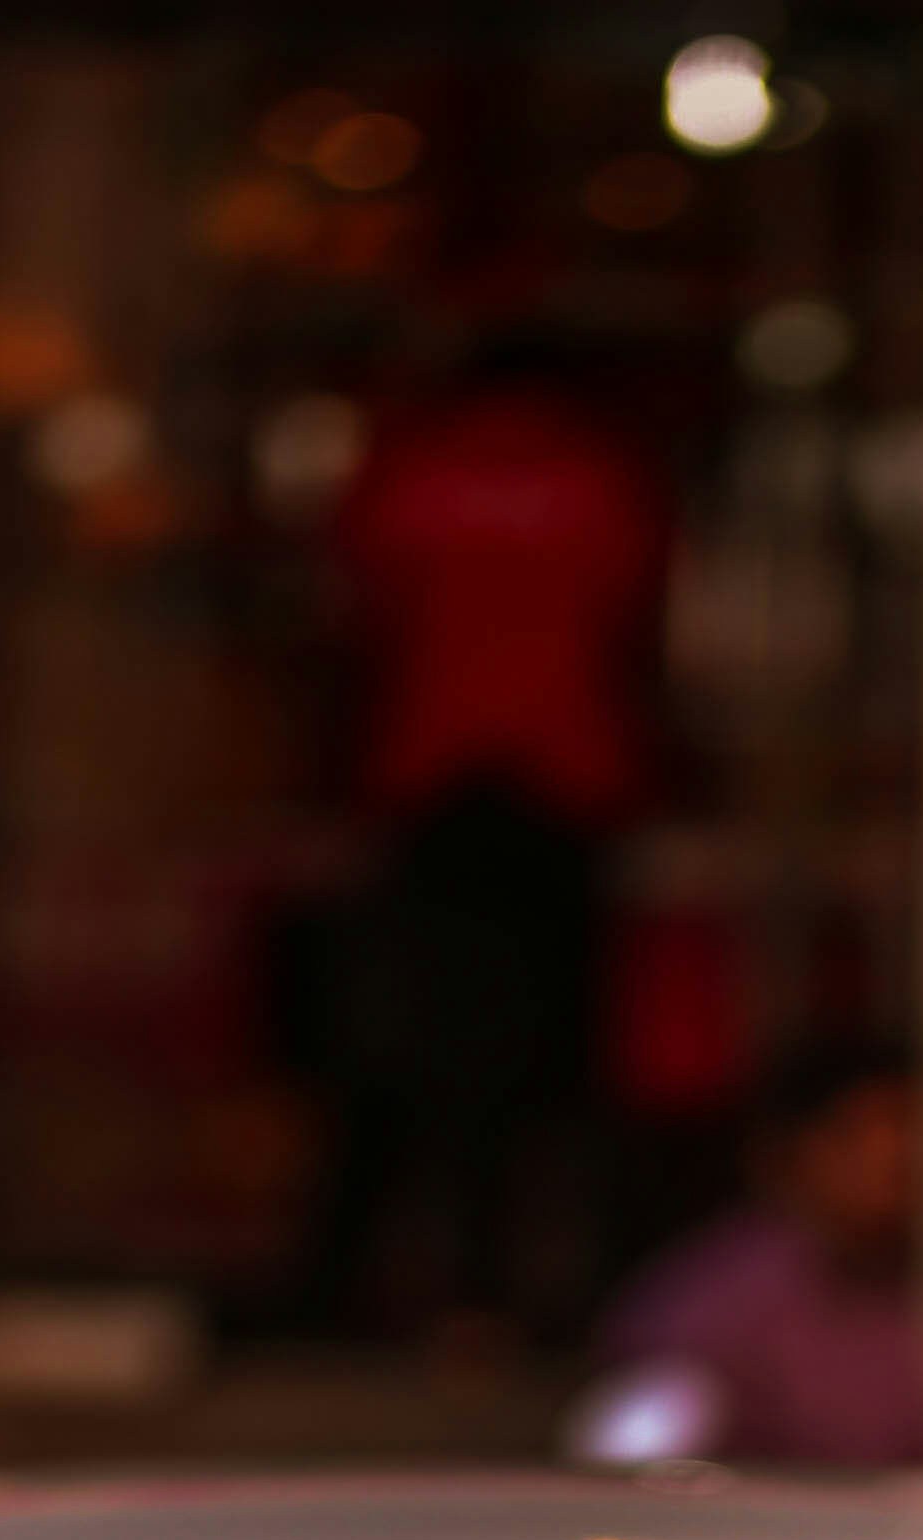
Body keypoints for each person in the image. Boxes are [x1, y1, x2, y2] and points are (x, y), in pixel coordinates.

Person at [299, 340, 668, 1340]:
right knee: (555, 1056)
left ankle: (393, 1294)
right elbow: (640, 622)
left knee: (420, 1049)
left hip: (434, 783)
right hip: (563, 783)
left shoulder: (408, 476)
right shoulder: (601, 479)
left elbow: (352, 618)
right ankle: (562, 1297)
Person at [566, 1033, 923, 1469]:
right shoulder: (707, 1311)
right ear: (797, 1150)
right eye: (871, 1136)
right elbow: (622, 1475)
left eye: (913, 1138)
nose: (900, 1161)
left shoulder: (898, 1293)